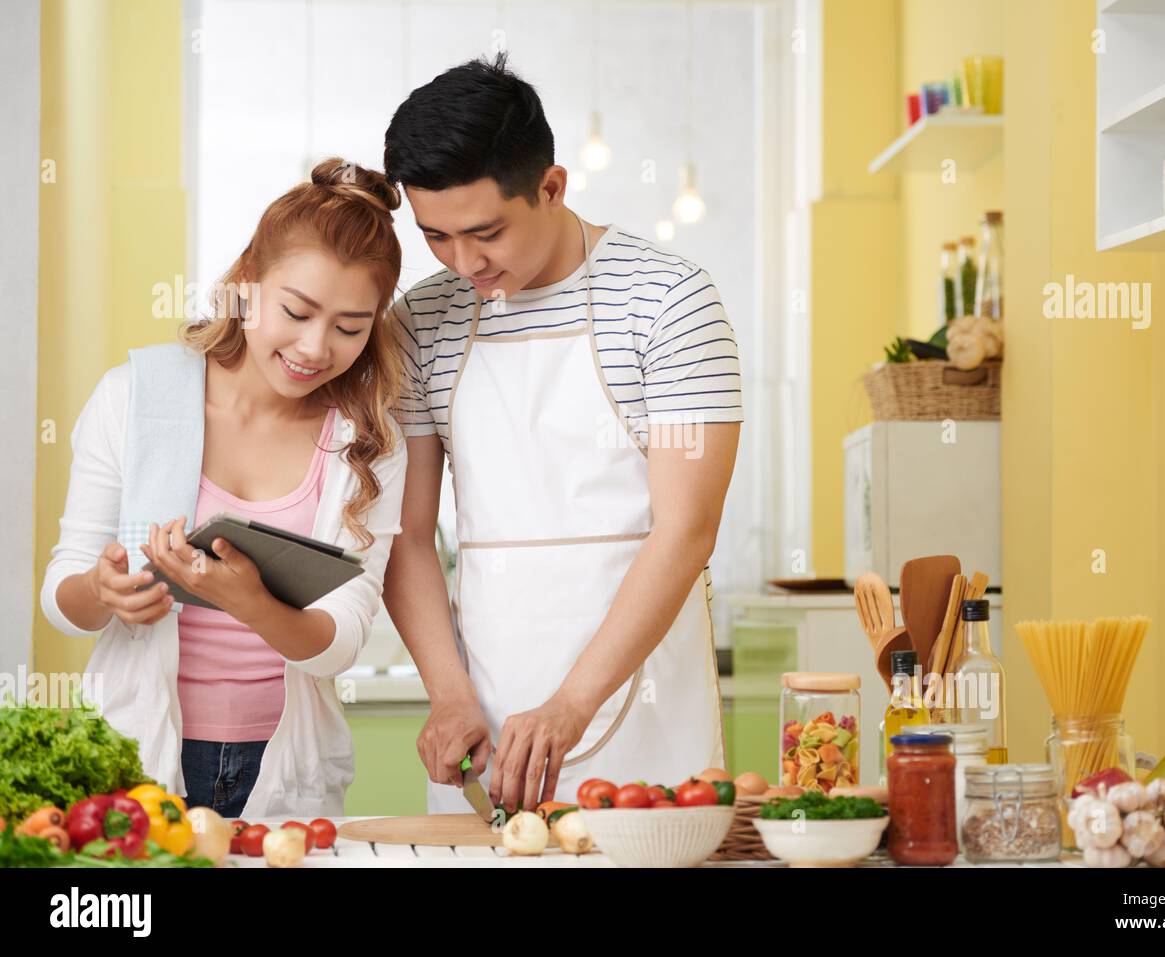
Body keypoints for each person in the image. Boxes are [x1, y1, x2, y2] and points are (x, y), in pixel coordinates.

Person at [382, 55, 743, 814]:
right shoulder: (423, 320)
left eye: (486, 232)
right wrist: (450, 697)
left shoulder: (670, 302)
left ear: (552, 187)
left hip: (644, 723)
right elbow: (409, 535)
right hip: (483, 726)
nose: (465, 263)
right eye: (437, 237)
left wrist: (570, 705)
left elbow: (686, 529)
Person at [39, 158, 409, 819]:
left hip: (285, 767)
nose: (315, 347)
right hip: (137, 759)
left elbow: (342, 640)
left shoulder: (367, 438)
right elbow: (62, 594)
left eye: (351, 327)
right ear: (246, 283)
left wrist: (249, 601)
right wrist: (103, 590)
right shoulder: (132, 399)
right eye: (296, 311)